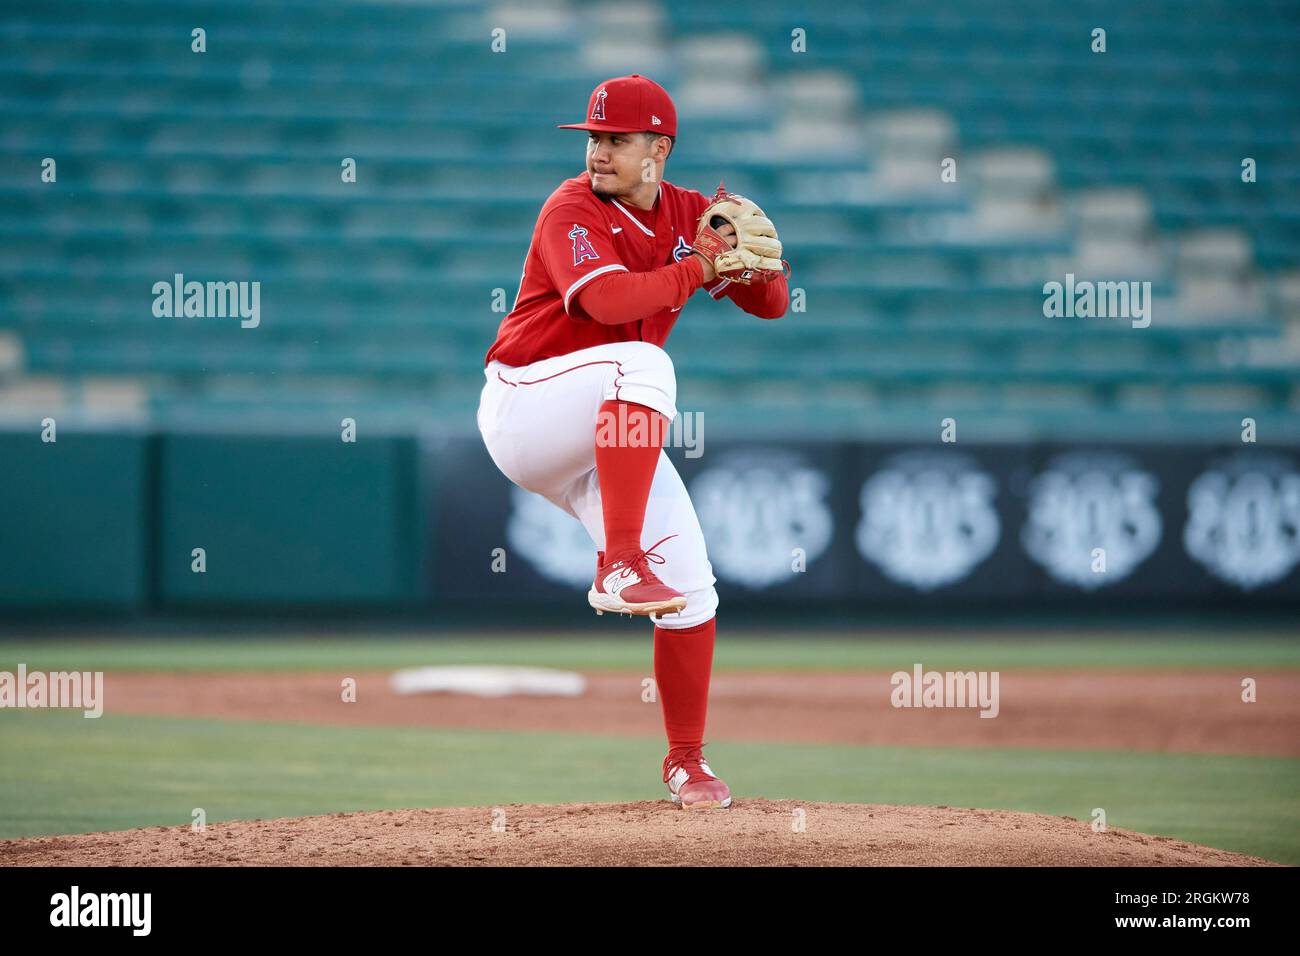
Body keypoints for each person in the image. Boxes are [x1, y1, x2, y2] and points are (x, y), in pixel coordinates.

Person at [477, 73, 789, 809]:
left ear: (659, 148)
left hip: (610, 435)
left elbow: (771, 306)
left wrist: (750, 257)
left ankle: (686, 762)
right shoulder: (570, 208)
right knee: (642, 360)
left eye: (616, 139)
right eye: (593, 138)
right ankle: (616, 563)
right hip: (527, 408)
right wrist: (698, 266)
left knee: (691, 587)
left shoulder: (690, 213)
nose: (598, 151)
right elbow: (610, 300)